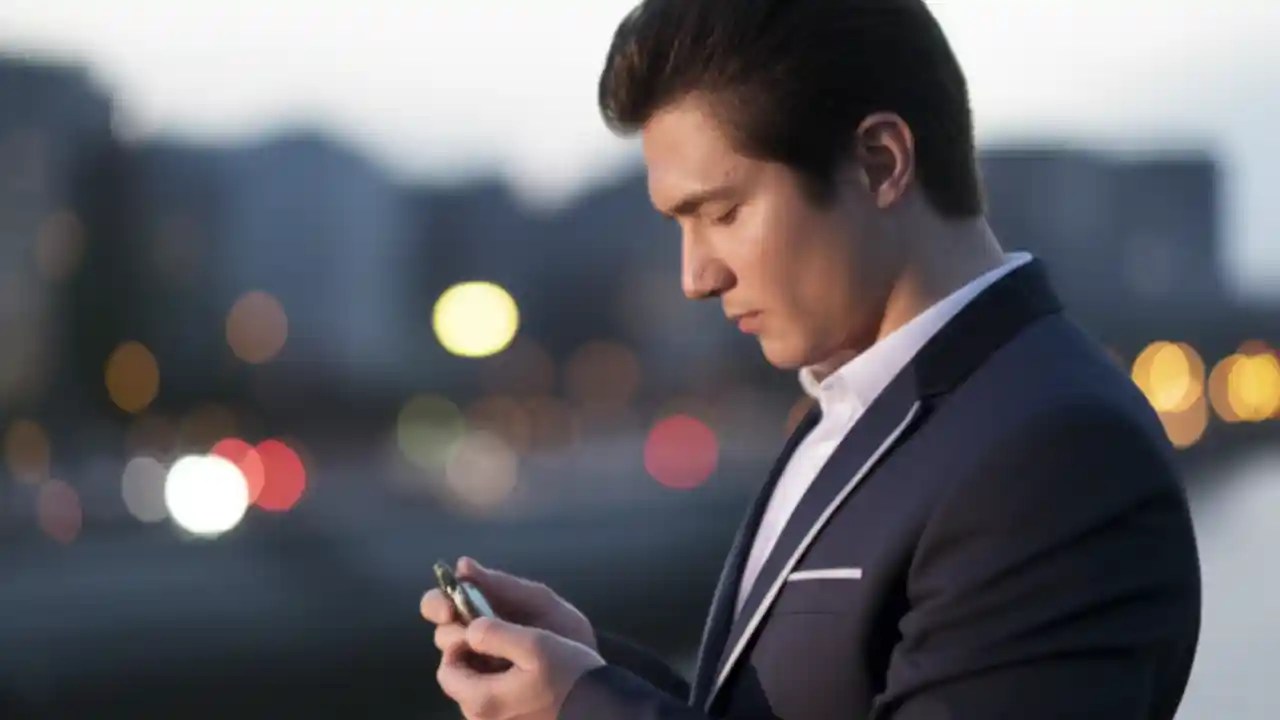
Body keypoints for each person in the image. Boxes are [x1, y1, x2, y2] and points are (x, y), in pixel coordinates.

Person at [420, 0, 1203, 717]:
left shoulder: (1056, 455)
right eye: (679, 225)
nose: (696, 276)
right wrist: (592, 670)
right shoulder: (860, 402)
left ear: (880, 162)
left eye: (723, 212)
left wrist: (583, 709)